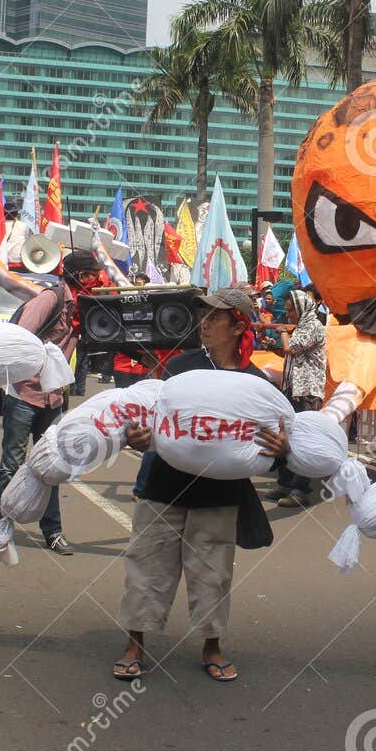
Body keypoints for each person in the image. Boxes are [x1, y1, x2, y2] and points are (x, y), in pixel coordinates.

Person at [112, 288, 288, 682]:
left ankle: (212, 645)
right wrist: (138, 437)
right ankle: (134, 644)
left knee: (213, 572)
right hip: (163, 486)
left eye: (214, 318)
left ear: (238, 327)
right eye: (202, 316)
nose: (203, 324)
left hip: (220, 495)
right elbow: (152, 419)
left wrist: (282, 449)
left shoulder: (254, 382)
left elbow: (271, 439)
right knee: (147, 566)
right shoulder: (180, 368)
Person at [0, 251, 97, 556]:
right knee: (11, 464)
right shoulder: (50, 299)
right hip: (24, 392)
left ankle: (53, 532)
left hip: (54, 395)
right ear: (77, 275)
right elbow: (19, 336)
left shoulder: (85, 306)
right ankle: (0, 527)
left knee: (52, 464)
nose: (96, 280)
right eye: (91, 275)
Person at [272, 287, 326, 508]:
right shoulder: (302, 327)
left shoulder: (313, 326)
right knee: (286, 436)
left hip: (307, 392)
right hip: (293, 389)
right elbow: (288, 353)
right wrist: (273, 344)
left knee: (303, 441)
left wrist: (282, 332)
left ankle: (300, 490)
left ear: (301, 308)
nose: (288, 315)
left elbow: (291, 349)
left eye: (290, 310)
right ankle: (284, 484)